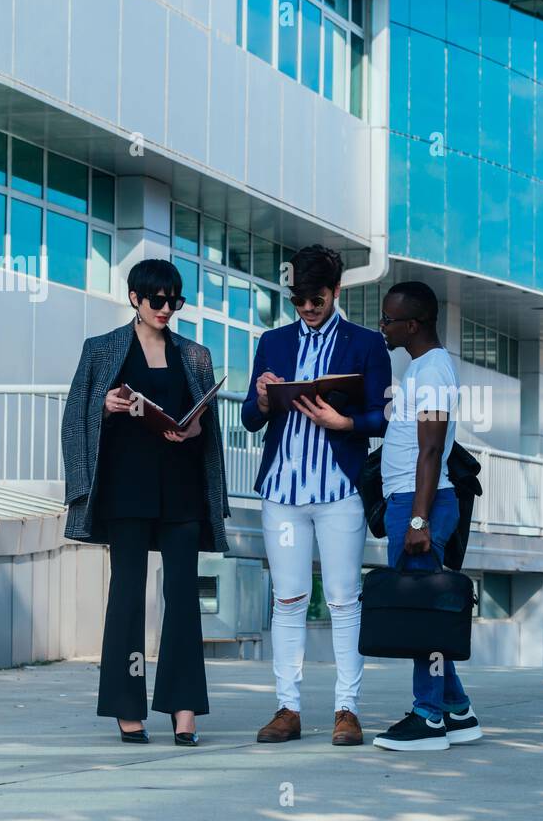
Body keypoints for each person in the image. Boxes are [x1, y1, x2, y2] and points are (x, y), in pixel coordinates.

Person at [60, 258, 231, 746]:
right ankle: (126, 706)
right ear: (135, 298)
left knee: (183, 599)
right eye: (156, 300)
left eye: (173, 301)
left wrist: (195, 426)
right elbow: (75, 418)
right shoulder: (101, 350)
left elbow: (207, 427)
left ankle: (183, 709)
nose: (165, 309)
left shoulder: (195, 355)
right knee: (127, 596)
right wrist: (106, 407)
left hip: (181, 488)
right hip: (124, 488)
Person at [241, 245, 391, 746]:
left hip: (339, 489)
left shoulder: (366, 344)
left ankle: (346, 710)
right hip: (282, 490)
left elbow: (384, 416)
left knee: (345, 601)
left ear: (337, 291)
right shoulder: (273, 342)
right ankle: (288, 708)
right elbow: (249, 419)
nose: (308, 308)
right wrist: (262, 398)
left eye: (318, 299)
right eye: (300, 300)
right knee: (287, 600)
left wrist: (344, 421)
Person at [372, 281, 482, 751]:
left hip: (422, 504)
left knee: (423, 612)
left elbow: (432, 448)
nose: (383, 326)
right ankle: (456, 711)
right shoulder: (421, 368)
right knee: (423, 613)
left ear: (412, 324)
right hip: (410, 502)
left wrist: (418, 519)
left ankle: (429, 717)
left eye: (389, 320)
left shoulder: (433, 370)